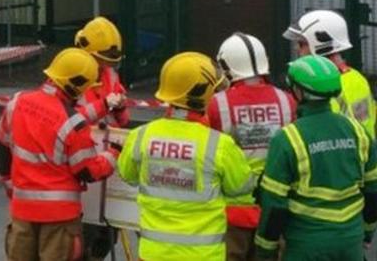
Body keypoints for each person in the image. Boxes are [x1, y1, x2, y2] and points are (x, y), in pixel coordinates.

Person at [118, 51, 255, 261]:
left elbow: (127, 175)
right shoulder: (219, 145)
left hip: (154, 255)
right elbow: (242, 188)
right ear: (203, 94)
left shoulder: (141, 136)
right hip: (203, 256)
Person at [0, 48, 120, 260]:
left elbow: (2, 146)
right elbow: (88, 171)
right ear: (77, 86)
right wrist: (113, 154)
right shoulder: (74, 125)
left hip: (22, 211)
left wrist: (9, 185)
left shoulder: (17, 103)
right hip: (60, 218)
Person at [254, 55, 377, 260]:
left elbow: (274, 204)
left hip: (306, 246)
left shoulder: (287, 139)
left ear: (299, 92)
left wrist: (265, 249)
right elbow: (373, 189)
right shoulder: (357, 131)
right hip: (351, 242)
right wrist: (367, 232)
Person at [208, 31, 297, 261]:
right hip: (273, 209)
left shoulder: (218, 104)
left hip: (232, 212)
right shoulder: (286, 100)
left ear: (227, 67)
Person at [72, 16, 130, 259]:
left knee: (108, 232)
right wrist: (103, 106)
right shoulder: (71, 75)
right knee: (83, 233)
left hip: (108, 158)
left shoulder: (110, 76)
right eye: (101, 60)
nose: (104, 66)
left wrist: (118, 108)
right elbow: (67, 122)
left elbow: (123, 120)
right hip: (81, 161)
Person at [284, 9, 375, 138]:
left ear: (321, 44)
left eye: (301, 43)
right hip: (363, 151)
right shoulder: (357, 77)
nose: (296, 48)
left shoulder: (321, 84)